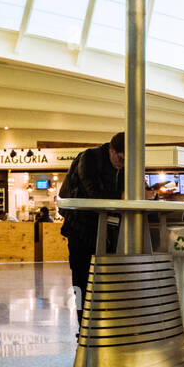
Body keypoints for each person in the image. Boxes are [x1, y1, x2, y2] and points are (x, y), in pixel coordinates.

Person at [59, 132, 125, 323]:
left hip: (105, 231)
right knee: (81, 279)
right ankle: (84, 325)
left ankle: (100, 322)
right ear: (111, 150)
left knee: (103, 279)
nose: (121, 164)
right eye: (120, 158)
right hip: (80, 229)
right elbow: (93, 193)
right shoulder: (89, 158)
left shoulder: (120, 166)